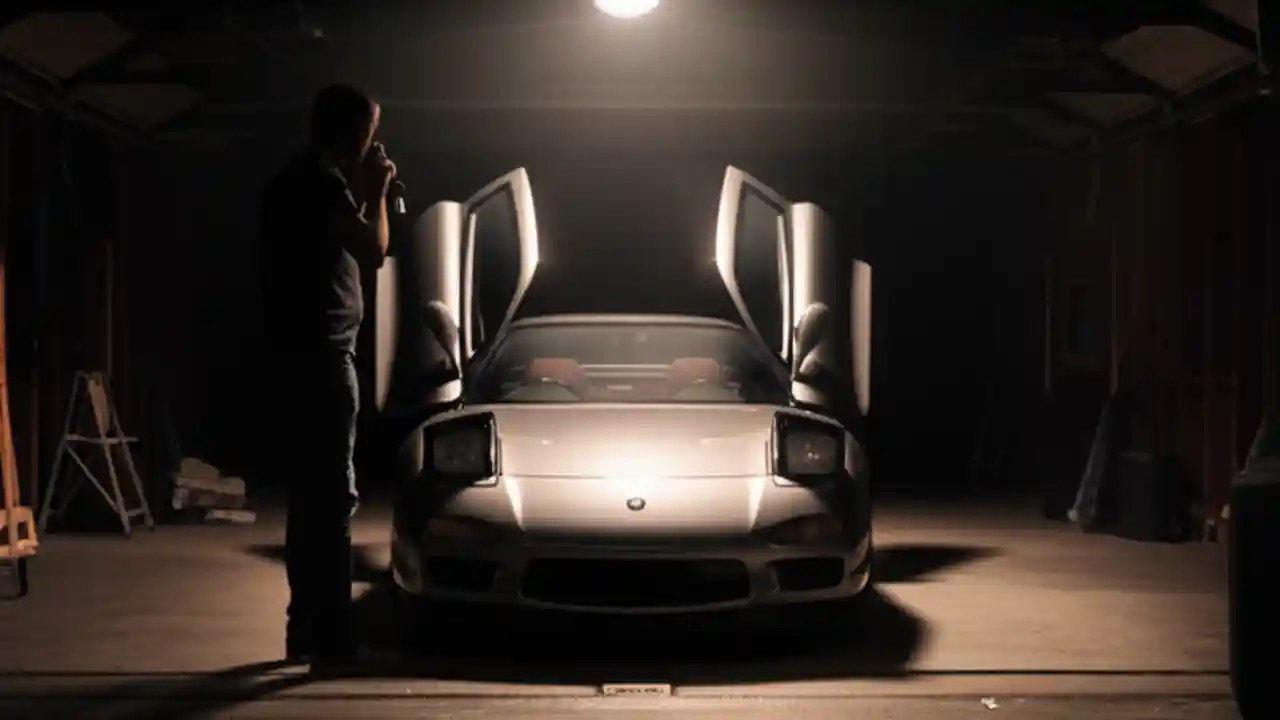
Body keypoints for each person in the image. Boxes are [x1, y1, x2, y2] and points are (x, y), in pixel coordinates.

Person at [258, 83, 396, 666]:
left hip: (293, 355)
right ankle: (334, 640)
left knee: (307, 500)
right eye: (372, 129)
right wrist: (378, 190)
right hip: (323, 358)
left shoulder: (294, 180)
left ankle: (302, 628)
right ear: (356, 129)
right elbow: (373, 249)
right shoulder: (320, 181)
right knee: (333, 501)